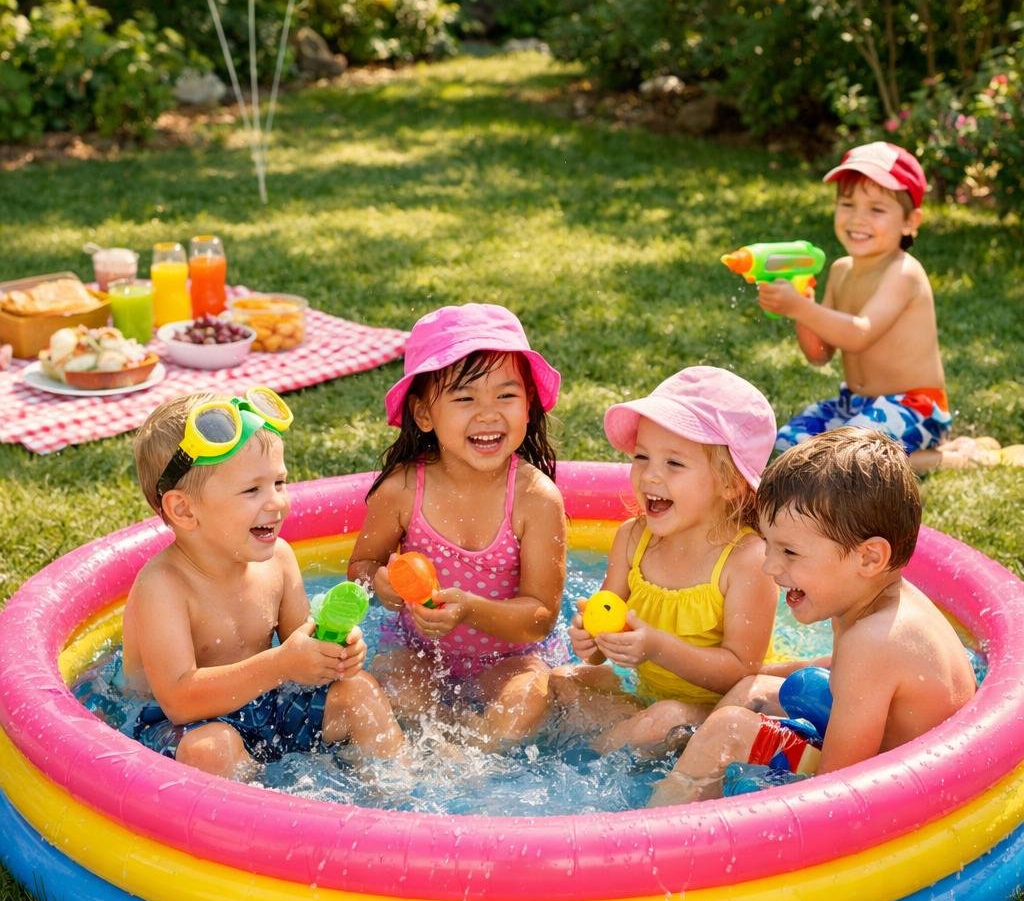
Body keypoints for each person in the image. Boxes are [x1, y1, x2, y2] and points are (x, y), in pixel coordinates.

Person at [647, 428, 977, 806]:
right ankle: (689, 761)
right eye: (769, 545)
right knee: (751, 688)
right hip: (894, 754)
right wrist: (765, 673)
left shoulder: (873, 641)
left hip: (902, 792)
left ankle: (654, 831)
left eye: (789, 551)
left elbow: (837, 787)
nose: (770, 566)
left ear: (869, 557)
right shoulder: (877, 599)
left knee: (728, 731)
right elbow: (850, 673)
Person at [122, 389, 405, 780]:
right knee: (211, 750)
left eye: (279, 482)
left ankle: (401, 803)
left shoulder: (280, 559)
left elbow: (302, 648)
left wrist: (333, 652)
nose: (276, 502)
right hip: (180, 726)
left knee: (361, 692)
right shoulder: (163, 586)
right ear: (184, 509)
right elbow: (179, 701)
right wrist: (282, 663)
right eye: (252, 490)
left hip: (265, 702)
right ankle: (264, 825)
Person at [348, 302, 566, 747]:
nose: (488, 414)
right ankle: (429, 753)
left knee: (529, 696)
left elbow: (540, 618)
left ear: (528, 405)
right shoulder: (403, 489)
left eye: (506, 395)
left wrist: (469, 608)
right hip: (422, 654)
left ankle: (468, 761)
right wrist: (382, 585)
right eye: (465, 398)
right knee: (390, 683)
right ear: (424, 414)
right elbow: (361, 566)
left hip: (511, 658)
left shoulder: (535, 498)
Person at [548, 365, 780, 754]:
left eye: (674, 463)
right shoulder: (632, 539)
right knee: (562, 678)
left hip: (719, 710)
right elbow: (607, 635)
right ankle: (622, 743)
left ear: (729, 482)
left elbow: (741, 672)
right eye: (641, 456)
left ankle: (579, 769)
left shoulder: (747, 560)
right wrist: (592, 640)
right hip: (651, 696)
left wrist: (657, 649)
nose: (650, 475)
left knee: (664, 720)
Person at [765, 141, 999, 472]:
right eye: (847, 204)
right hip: (856, 404)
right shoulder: (840, 270)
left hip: (915, 407)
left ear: (910, 222)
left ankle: (951, 459)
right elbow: (819, 354)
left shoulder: (903, 272)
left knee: (844, 462)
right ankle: (885, 455)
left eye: (876, 209)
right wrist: (801, 306)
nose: (858, 218)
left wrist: (801, 309)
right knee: (789, 446)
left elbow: (859, 334)